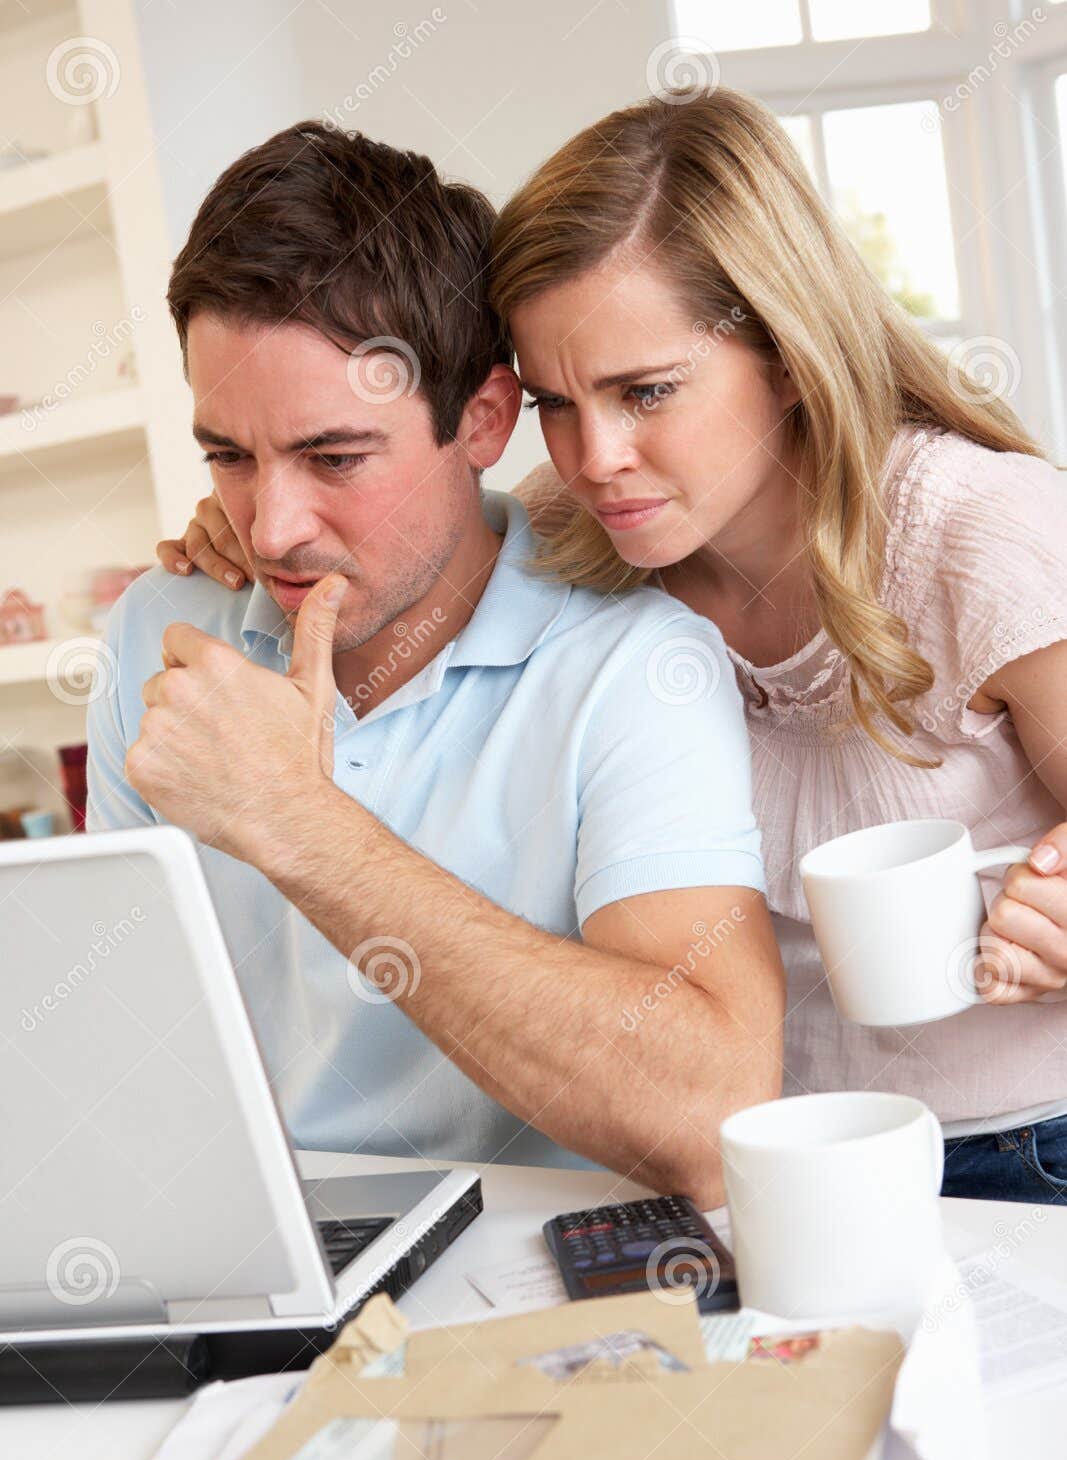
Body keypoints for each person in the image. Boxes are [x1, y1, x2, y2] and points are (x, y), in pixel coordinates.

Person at [165, 89, 1067, 1206]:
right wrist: (250, 523)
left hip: (1029, 1141)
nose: (597, 457)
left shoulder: (982, 536)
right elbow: (395, 520)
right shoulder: (573, 535)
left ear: (785, 353)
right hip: (778, 1166)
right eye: (554, 400)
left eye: (645, 392)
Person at [87, 121, 784, 1207]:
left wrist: (299, 822)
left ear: (483, 420)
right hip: (245, 1240)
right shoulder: (160, 632)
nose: (271, 527)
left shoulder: (635, 668)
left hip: (538, 1275)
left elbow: (713, 1115)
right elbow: (114, 1047)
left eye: (333, 458)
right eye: (229, 455)